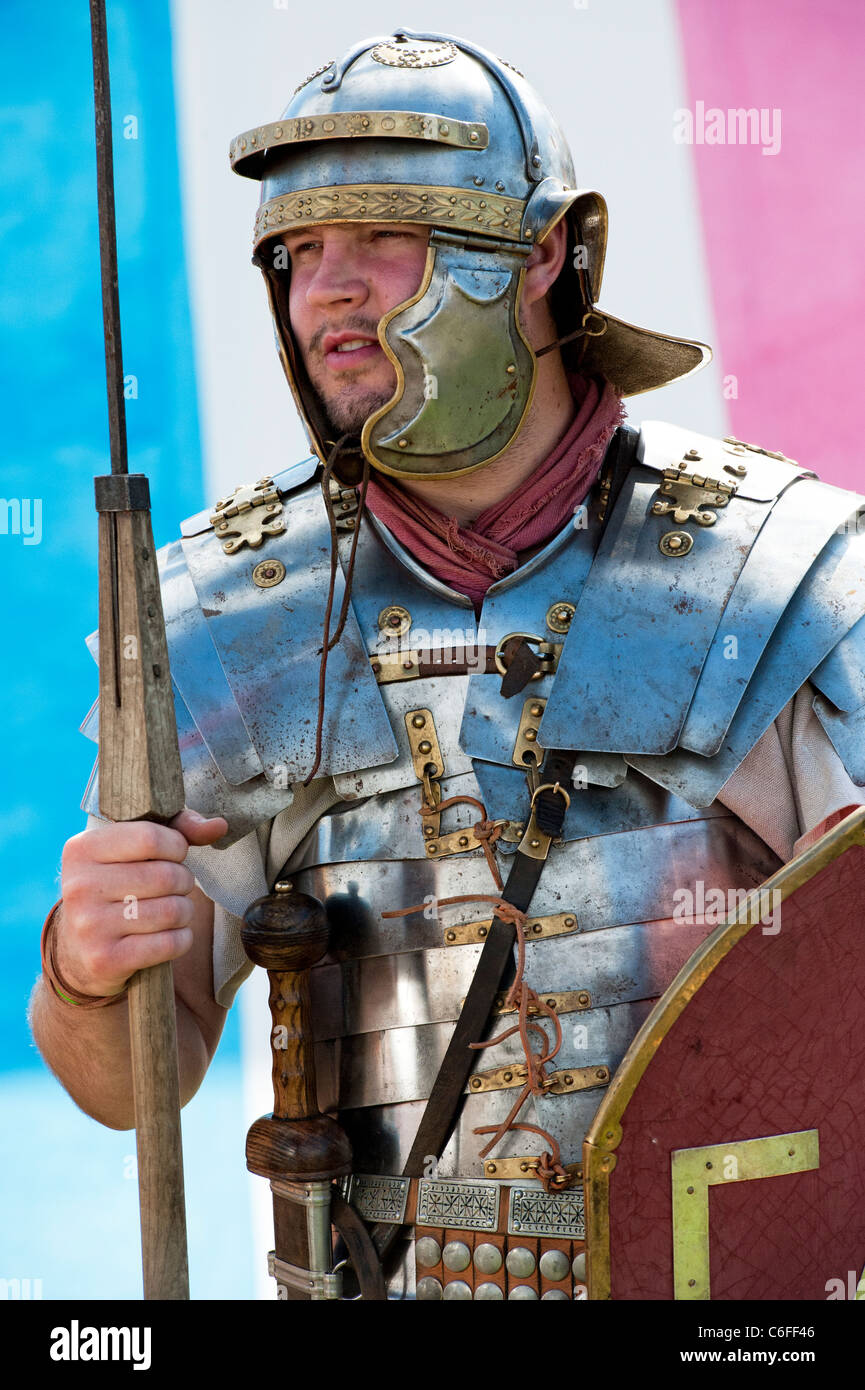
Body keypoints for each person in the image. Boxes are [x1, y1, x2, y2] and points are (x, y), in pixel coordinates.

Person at [31, 30, 865, 1300]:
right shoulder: (227, 616)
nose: (329, 291)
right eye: (299, 252)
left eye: (383, 237)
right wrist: (84, 974)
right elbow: (126, 1084)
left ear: (543, 255)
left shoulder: (765, 579)